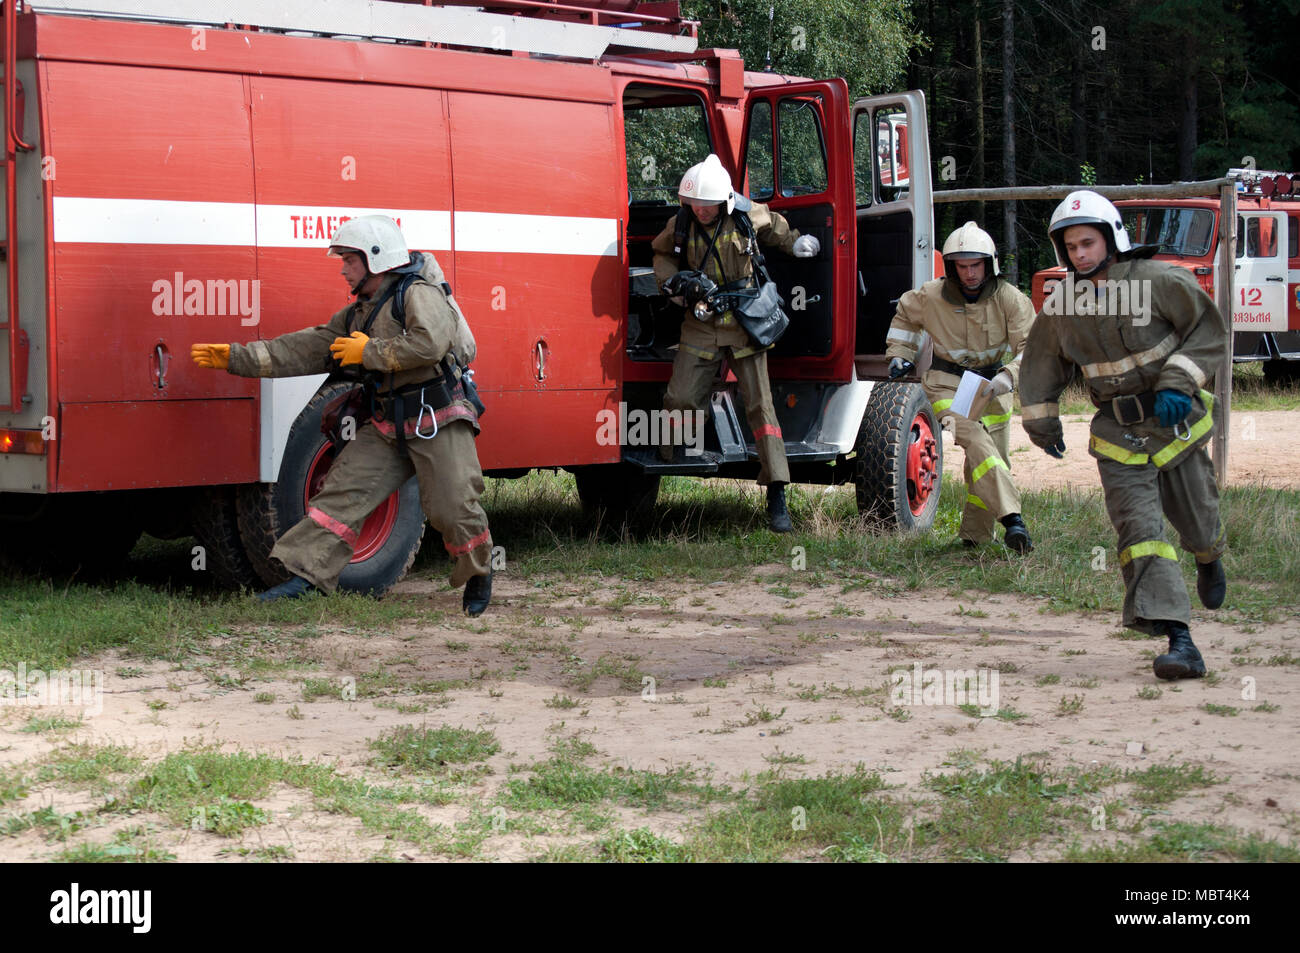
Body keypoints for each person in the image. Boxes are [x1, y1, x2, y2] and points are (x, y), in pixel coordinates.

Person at [191, 215, 494, 615]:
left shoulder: (416, 293)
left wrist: (368, 353)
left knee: (453, 507)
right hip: (389, 424)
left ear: (375, 258)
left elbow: (430, 344)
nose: (342, 267)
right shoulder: (360, 312)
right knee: (341, 495)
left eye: (349, 259)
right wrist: (237, 358)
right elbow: (310, 347)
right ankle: (307, 578)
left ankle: (478, 570)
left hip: (434, 417)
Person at [1019, 190, 1228, 680]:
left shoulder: (1160, 280)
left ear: (1112, 237)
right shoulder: (1064, 303)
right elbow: (1042, 363)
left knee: (1196, 521)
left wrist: (1179, 381)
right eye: (1070, 247)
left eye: (1087, 243)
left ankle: (1209, 554)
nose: (1080, 255)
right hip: (1118, 434)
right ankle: (1181, 640)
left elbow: (1208, 330)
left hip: (1175, 424)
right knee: (1141, 533)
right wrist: (1041, 422)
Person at [651, 154, 820, 532]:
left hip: (745, 319)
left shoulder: (746, 214)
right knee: (680, 397)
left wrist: (795, 244)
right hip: (702, 320)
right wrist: (675, 284)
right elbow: (662, 256)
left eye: (707, 205)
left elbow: (775, 226)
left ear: (723, 201)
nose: (701, 210)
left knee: (761, 407)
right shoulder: (680, 224)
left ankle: (776, 492)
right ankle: (668, 456)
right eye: (694, 204)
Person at [884, 221, 1035, 551]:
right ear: (951, 267)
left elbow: (1033, 349)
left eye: (976, 265)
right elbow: (905, 316)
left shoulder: (1010, 299)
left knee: (990, 461)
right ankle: (1013, 521)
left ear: (990, 264)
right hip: (945, 384)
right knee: (975, 438)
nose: (969, 273)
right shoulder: (930, 296)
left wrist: (1008, 376)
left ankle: (974, 538)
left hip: (993, 386)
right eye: (962, 266)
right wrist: (899, 354)